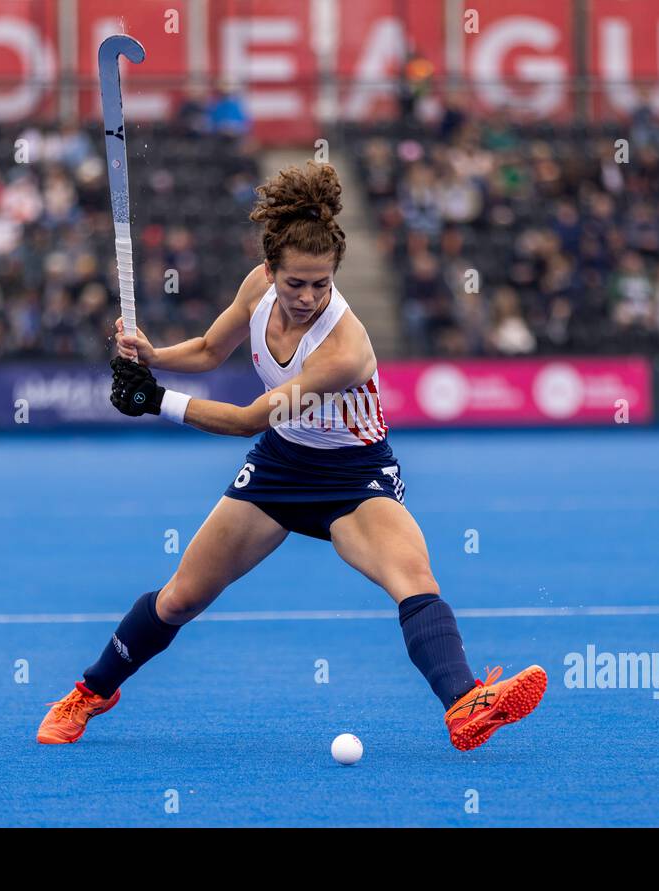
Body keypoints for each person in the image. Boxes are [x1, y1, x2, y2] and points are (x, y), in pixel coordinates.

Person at [36, 162, 546, 751]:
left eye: (321, 284)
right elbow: (207, 349)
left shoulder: (344, 349)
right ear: (271, 270)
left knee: (413, 578)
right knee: (180, 598)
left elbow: (250, 417)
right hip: (280, 468)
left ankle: (464, 704)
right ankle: (90, 692)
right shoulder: (256, 288)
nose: (307, 297)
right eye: (295, 283)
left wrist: (156, 401)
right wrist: (152, 354)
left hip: (356, 478)